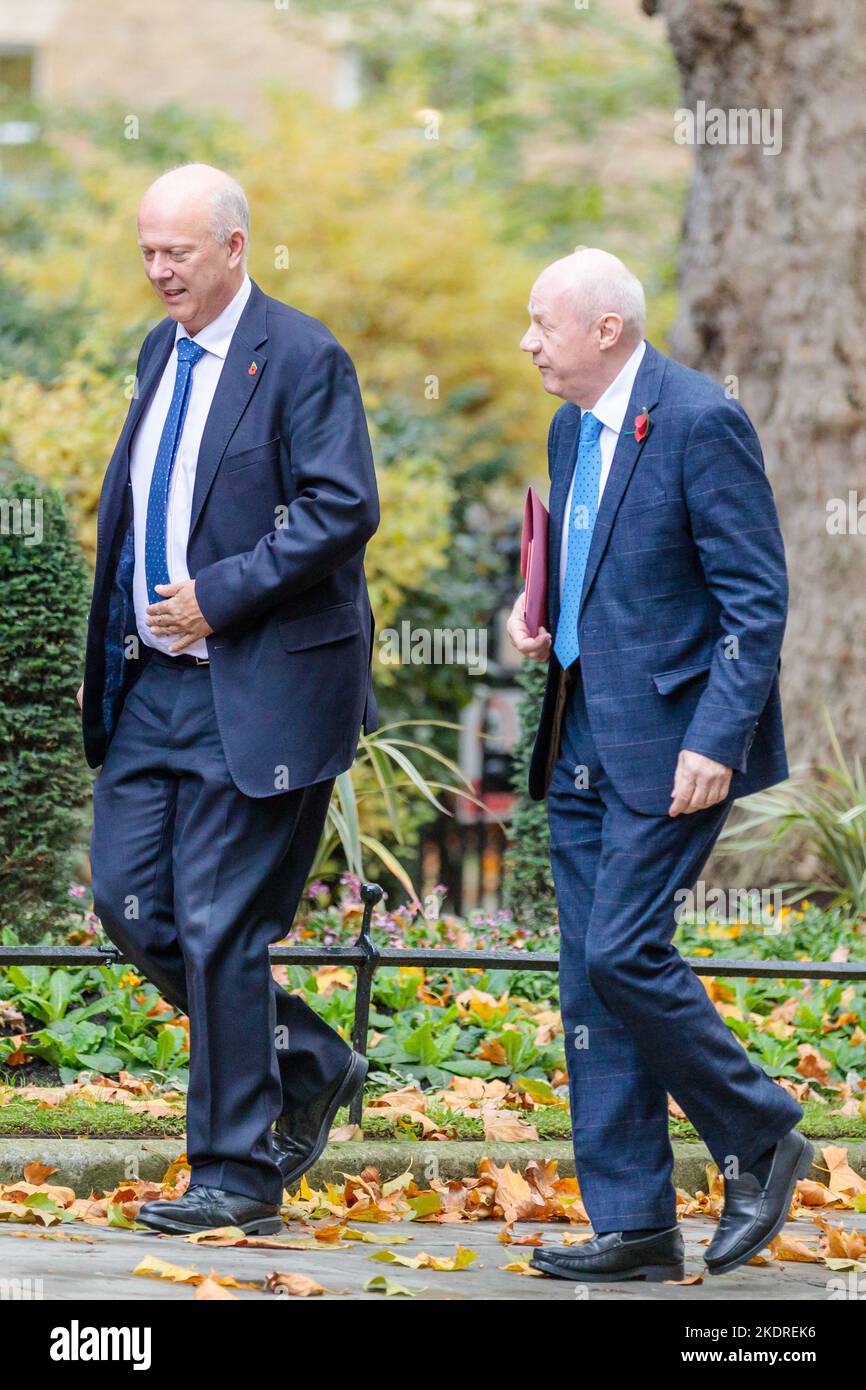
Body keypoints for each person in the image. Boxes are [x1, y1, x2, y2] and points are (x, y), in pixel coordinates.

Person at [78, 163, 378, 1236]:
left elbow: (342, 508)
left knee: (218, 924)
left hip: (260, 690)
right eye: (149, 249)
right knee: (129, 903)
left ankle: (236, 1175)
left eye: (180, 252)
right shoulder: (159, 352)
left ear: (236, 247)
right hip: (153, 688)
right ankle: (303, 1056)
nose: (160, 269)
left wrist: (218, 597)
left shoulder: (302, 356)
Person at [506, 247, 812, 1281]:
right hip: (581, 729)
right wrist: (542, 610)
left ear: (607, 328)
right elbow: (598, 562)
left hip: (676, 743)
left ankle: (761, 1133)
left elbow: (752, 601)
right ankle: (633, 1224)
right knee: (589, 981)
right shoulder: (567, 427)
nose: (526, 340)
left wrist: (713, 740)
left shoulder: (695, 418)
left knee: (622, 953)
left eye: (541, 322)